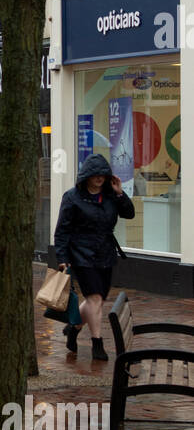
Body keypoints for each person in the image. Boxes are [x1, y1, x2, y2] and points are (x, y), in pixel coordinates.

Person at [54, 152, 135, 361]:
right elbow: (62, 230)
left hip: (105, 254)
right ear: (86, 176)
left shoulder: (110, 196)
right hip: (81, 254)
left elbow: (129, 213)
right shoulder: (72, 197)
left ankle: (74, 328)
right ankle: (97, 343)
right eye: (95, 174)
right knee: (95, 298)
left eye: (103, 175)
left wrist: (120, 193)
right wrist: (62, 257)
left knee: (96, 301)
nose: (99, 178)